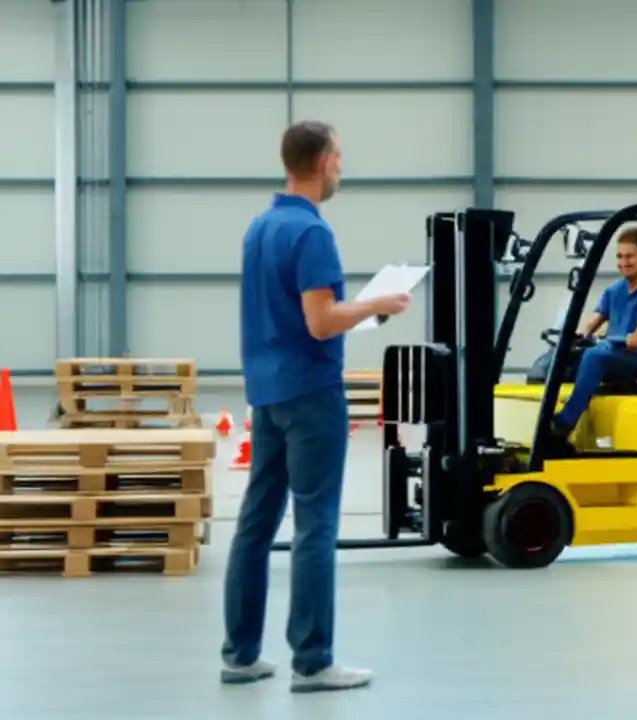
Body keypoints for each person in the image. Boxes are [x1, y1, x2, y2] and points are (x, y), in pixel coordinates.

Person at [220, 120, 410, 693]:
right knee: (315, 525)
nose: (340, 171)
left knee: (256, 523)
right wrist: (375, 304)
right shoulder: (311, 233)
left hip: (268, 392)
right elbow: (320, 321)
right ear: (325, 160)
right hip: (310, 393)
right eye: (340, 160)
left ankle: (240, 653)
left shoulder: (260, 227)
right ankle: (313, 659)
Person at [550, 227, 637, 435]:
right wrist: (574, 339)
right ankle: (545, 414)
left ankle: (563, 424)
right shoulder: (614, 291)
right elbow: (591, 323)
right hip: (614, 354)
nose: (624, 262)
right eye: (620, 256)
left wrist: (608, 341)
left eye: (630, 256)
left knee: (594, 357)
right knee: (558, 359)